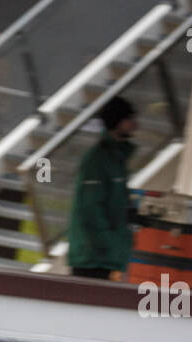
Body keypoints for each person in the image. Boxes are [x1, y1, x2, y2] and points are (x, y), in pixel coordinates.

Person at [67, 96, 136, 280]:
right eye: (130, 119)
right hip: (93, 256)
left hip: (106, 255)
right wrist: (112, 242)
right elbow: (91, 208)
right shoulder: (98, 159)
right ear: (118, 121)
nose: (134, 125)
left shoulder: (117, 158)